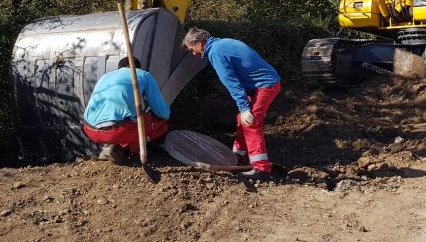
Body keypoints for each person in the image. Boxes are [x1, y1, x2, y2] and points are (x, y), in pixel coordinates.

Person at [183, 27, 281, 180]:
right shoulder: (221, 44)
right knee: (241, 119)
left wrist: (244, 107)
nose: (194, 54)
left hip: (265, 84)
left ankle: (262, 168)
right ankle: (238, 157)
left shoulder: (216, 53)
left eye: (192, 49)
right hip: (262, 83)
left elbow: (232, 83)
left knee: (251, 121)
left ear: (198, 42)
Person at [82, 57, 170, 165]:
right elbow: (163, 112)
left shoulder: (105, 77)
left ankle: (112, 147)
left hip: (90, 130)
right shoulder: (144, 75)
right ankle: (123, 150)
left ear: (119, 68)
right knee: (159, 123)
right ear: (137, 67)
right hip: (117, 131)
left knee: (128, 119)